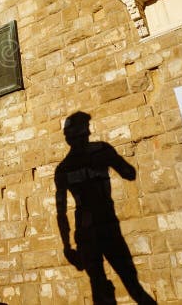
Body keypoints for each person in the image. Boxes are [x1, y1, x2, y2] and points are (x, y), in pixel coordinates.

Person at [55, 112, 156, 304]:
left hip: (92, 231)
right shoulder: (98, 152)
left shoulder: (65, 167)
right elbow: (129, 173)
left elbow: (61, 213)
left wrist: (67, 246)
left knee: (107, 288)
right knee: (127, 285)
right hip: (102, 228)